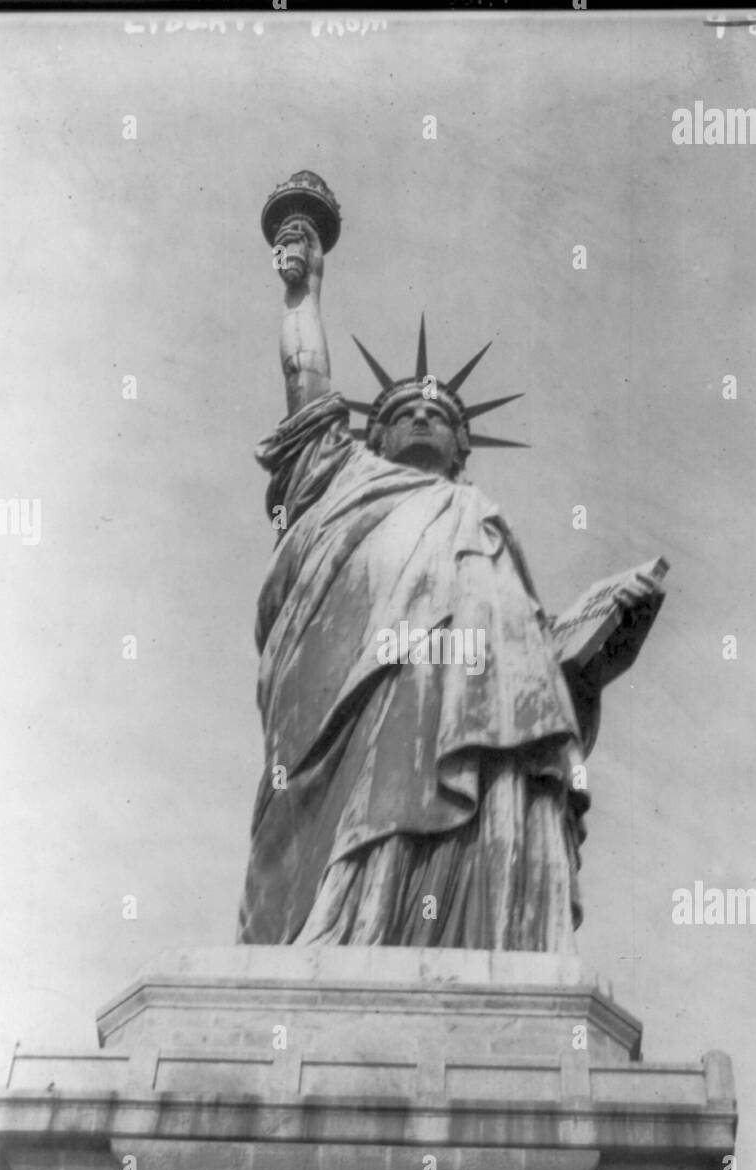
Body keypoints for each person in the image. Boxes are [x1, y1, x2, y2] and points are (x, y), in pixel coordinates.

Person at [238, 216, 660, 951]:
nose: (426, 417)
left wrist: (597, 651)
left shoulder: (480, 520)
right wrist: (303, 291)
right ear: (377, 436)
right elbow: (304, 381)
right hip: (366, 702)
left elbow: (531, 679)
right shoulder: (341, 480)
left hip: (480, 727)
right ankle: (355, 928)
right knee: (373, 804)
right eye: (407, 412)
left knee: (492, 792)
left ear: (464, 447)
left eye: (440, 414)